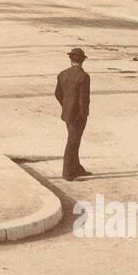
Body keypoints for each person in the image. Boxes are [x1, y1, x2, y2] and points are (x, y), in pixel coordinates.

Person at [54, 47, 91, 181]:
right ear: (82, 61)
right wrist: (84, 114)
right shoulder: (84, 77)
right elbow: (84, 99)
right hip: (78, 116)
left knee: (74, 141)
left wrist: (66, 106)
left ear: (71, 60)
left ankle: (76, 168)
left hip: (67, 114)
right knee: (72, 142)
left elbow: (58, 94)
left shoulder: (62, 74)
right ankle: (68, 172)